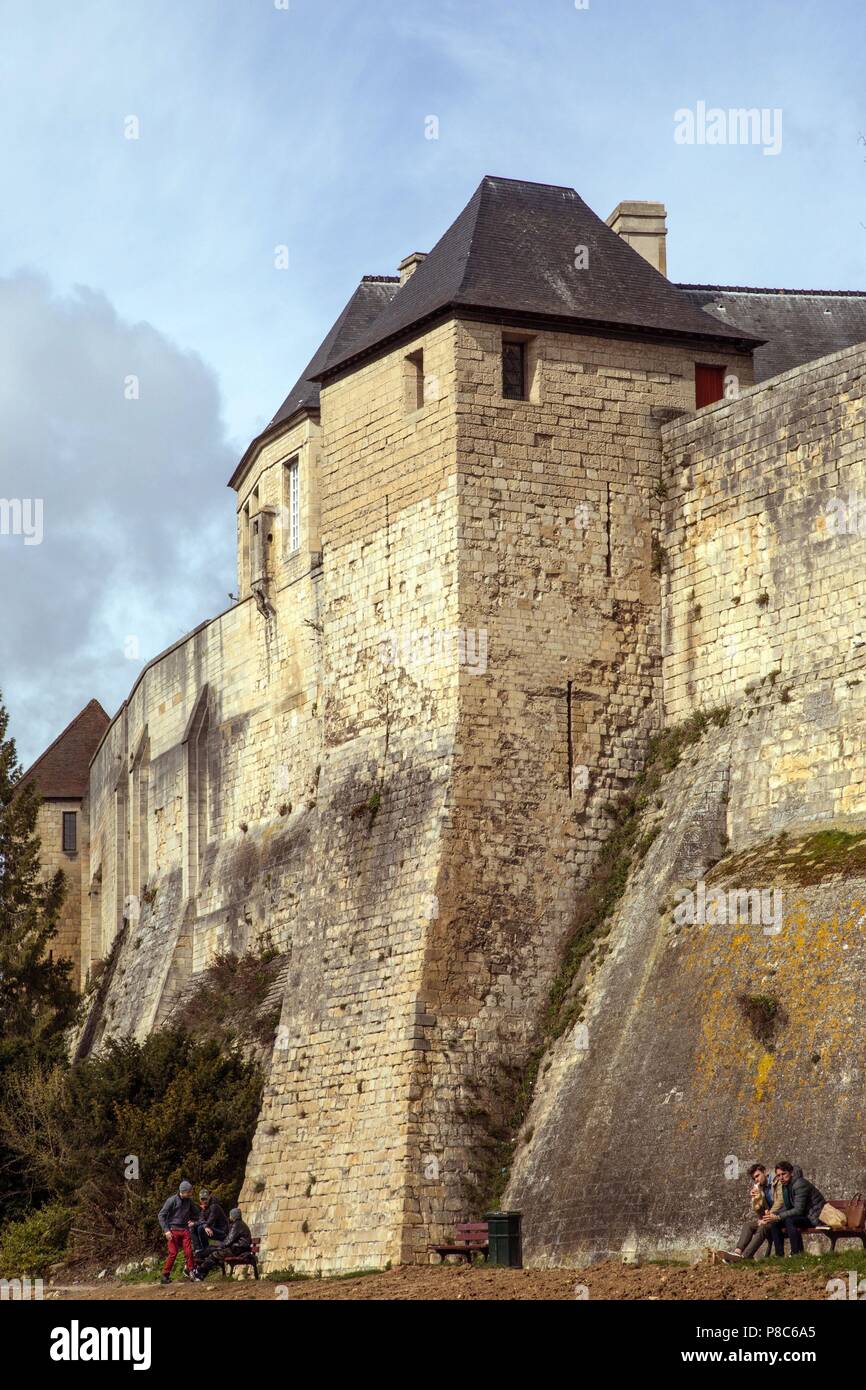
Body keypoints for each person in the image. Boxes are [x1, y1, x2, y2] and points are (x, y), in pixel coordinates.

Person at [765, 1162, 828, 1255]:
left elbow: (798, 1210)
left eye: (784, 1174)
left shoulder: (799, 1184)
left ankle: (796, 1253)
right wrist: (773, 1215)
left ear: (791, 1173)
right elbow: (788, 1207)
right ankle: (779, 1254)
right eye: (778, 1175)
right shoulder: (786, 1185)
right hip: (804, 1215)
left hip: (814, 1216)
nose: (781, 1177)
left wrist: (778, 1216)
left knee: (789, 1220)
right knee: (775, 1223)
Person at [724, 1163, 784, 1260]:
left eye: (757, 1176)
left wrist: (768, 1217)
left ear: (764, 1172)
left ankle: (745, 1256)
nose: (756, 1179)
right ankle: (737, 1252)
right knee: (748, 1226)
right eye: (754, 1178)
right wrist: (755, 1200)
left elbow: (780, 1202)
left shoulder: (777, 1181)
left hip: (780, 1217)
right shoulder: (760, 1187)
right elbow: (759, 1212)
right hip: (769, 1219)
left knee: (763, 1227)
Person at [193, 1207, 252, 1281]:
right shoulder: (239, 1224)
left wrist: (219, 1246)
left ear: (233, 1216)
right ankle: (200, 1274)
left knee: (215, 1254)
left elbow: (229, 1241)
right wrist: (218, 1246)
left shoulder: (237, 1225)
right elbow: (229, 1240)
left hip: (238, 1250)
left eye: (230, 1215)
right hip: (239, 1249)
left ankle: (199, 1272)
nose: (229, 1217)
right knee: (213, 1252)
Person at [158, 1179, 199, 1283]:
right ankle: (165, 1276)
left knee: (189, 1252)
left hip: (185, 1230)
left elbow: (197, 1214)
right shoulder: (171, 1200)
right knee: (173, 1253)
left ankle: (191, 1273)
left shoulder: (189, 1201)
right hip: (172, 1230)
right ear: (183, 1191)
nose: (191, 1193)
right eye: (189, 1192)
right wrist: (166, 1230)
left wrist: (193, 1221)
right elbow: (161, 1215)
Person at [191, 1188, 229, 1257]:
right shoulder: (205, 1208)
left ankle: (206, 1248)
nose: (204, 1201)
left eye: (206, 1199)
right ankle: (198, 1249)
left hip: (223, 1232)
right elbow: (201, 1219)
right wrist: (197, 1224)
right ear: (200, 1199)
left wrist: (205, 1226)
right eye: (202, 1199)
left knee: (201, 1228)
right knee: (193, 1227)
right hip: (212, 1230)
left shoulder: (214, 1206)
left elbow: (211, 1220)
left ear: (209, 1197)